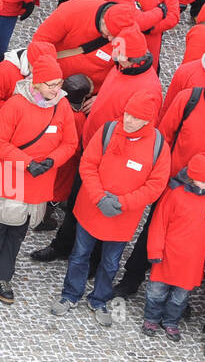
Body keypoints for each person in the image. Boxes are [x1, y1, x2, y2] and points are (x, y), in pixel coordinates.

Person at [51, 90, 170, 327]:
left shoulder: (158, 146)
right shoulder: (107, 131)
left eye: (135, 118)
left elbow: (155, 186)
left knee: (110, 263)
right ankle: (70, 295)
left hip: (121, 218)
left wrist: (123, 203)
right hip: (92, 209)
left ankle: (99, 300)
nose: (128, 120)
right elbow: (88, 164)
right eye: (127, 114)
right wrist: (99, 197)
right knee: (79, 256)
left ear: (147, 121)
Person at [0, 52, 78, 301]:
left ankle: (4, 276)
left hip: (38, 181)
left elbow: (70, 142)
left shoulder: (62, 105)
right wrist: (27, 163)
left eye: (59, 83)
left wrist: (53, 161)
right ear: (37, 83)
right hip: (11, 176)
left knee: (18, 232)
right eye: (51, 84)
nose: (56, 89)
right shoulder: (16, 105)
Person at [144, 152, 205, 340]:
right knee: (157, 290)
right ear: (192, 178)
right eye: (204, 181)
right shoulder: (174, 194)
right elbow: (159, 224)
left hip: (193, 261)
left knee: (180, 296)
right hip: (167, 256)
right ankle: (151, 318)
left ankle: (171, 322)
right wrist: (155, 250)